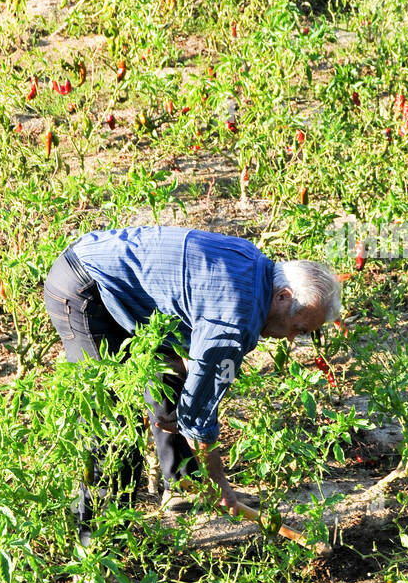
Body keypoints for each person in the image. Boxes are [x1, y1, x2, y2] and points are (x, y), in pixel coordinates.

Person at [43, 226, 340, 539]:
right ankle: (99, 543)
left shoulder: (258, 269)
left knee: (171, 382)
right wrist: (221, 484)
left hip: (130, 288)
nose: (291, 338)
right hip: (86, 287)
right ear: (284, 295)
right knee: (113, 424)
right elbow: (199, 416)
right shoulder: (234, 321)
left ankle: (185, 483)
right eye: (298, 327)